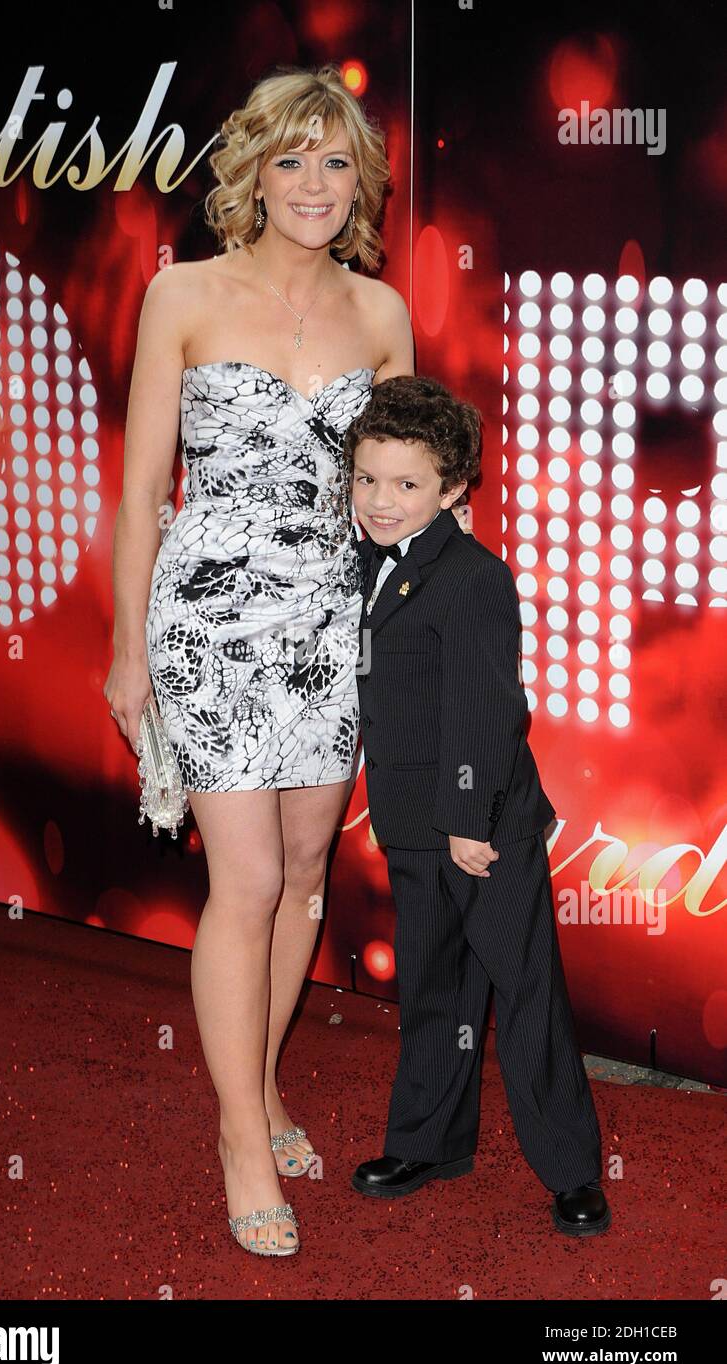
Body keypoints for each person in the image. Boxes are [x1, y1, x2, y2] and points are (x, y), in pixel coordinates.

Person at [103, 63, 418, 1257]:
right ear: (251, 171)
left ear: (361, 183)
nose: (314, 184)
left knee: (300, 874)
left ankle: (267, 1084)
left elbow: (407, 490)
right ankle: (242, 1132)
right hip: (212, 619)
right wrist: (129, 648)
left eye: (336, 162)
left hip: (332, 625)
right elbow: (139, 494)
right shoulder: (180, 293)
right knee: (241, 883)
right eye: (290, 158)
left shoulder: (381, 315)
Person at [345, 375, 611, 1236]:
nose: (381, 502)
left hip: (481, 823)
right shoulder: (370, 562)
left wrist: (465, 823)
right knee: (432, 985)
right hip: (412, 823)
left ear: (454, 488)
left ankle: (572, 1171)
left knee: (524, 988)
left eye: (407, 485)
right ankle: (428, 1140)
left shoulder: (473, 579)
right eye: (366, 479)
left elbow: (487, 709)